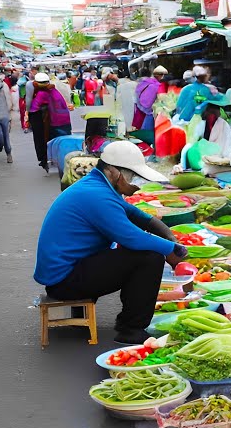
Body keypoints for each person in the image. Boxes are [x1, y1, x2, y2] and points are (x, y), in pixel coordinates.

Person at [34, 141, 186, 345]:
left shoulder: (95, 186)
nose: (134, 184)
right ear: (114, 172)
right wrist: (171, 250)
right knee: (150, 257)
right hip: (64, 281)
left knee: (143, 250)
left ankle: (92, 316)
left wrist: (168, 235)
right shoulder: (96, 195)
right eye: (131, 177)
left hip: (64, 273)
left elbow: (137, 216)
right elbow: (132, 237)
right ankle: (131, 330)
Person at [178, 95, 231, 171]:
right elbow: (195, 140)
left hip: (218, 154)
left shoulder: (223, 124)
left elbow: (227, 144)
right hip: (203, 153)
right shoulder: (202, 123)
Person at [29, 75, 72, 173]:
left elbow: (34, 108)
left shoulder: (42, 93)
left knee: (55, 144)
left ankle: (60, 165)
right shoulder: (54, 90)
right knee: (65, 143)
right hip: (65, 119)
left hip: (56, 122)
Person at [133, 66, 165, 132]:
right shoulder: (155, 86)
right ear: (160, 76)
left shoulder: (143, 82)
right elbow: (148, 104)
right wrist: (151, 113)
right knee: (147, 133)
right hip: (148, 114)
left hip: (139, 110)